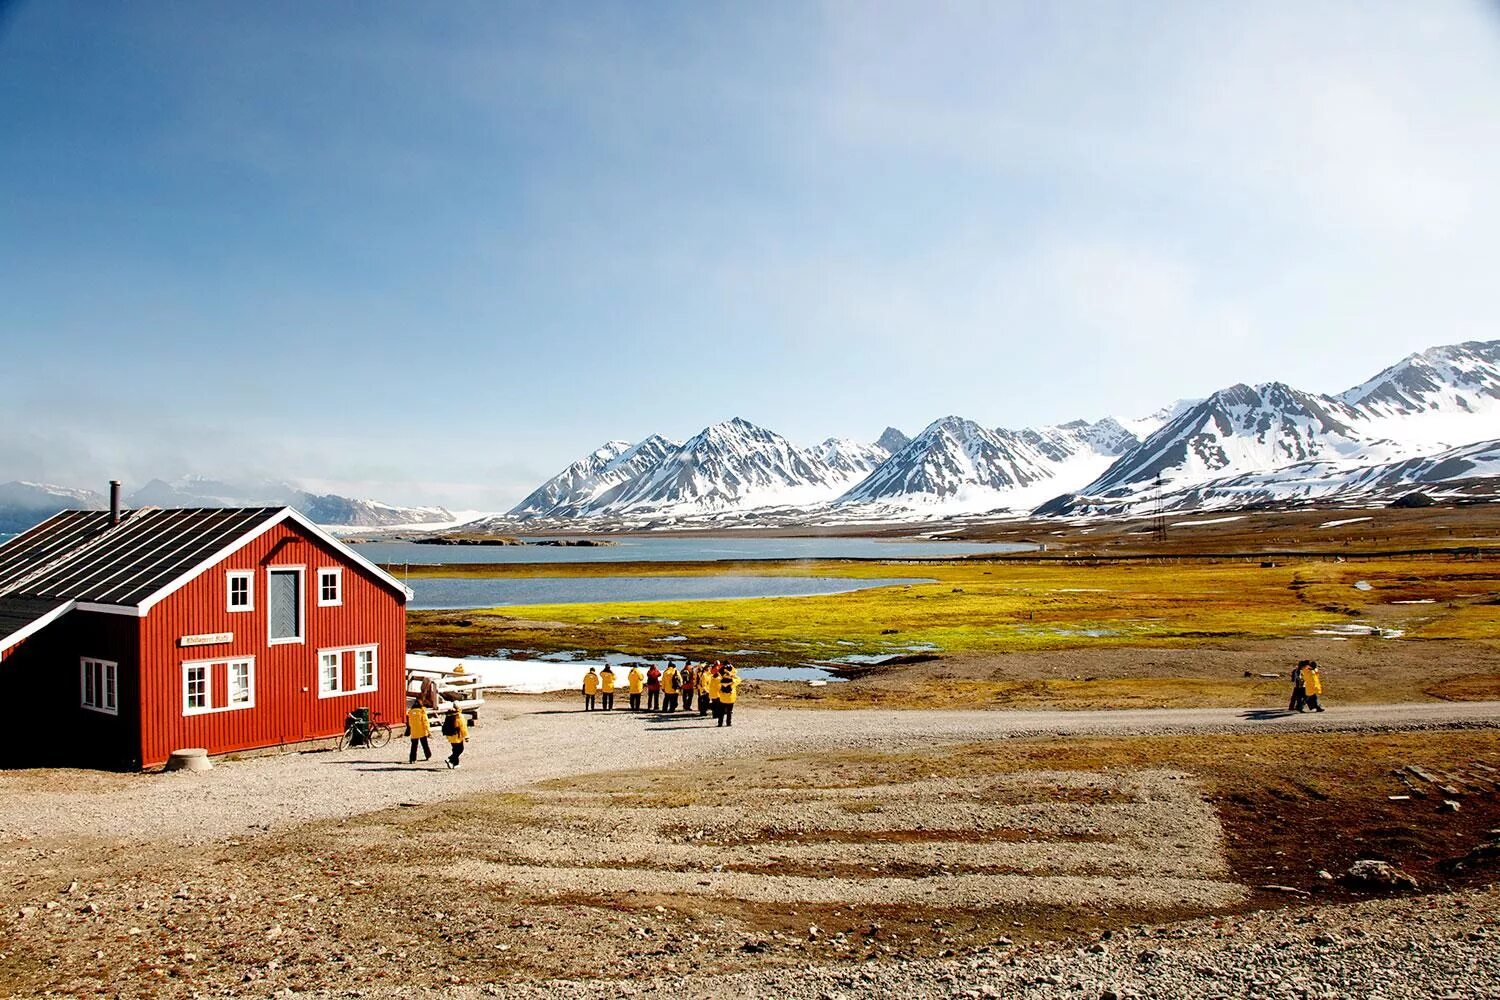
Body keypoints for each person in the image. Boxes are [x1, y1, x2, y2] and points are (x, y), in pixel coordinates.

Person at [442, 703, 468, 768]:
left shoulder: (449, 714)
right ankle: (450, 759)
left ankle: (455, 764)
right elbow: (463, 727)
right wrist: (466, 736)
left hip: (450, 735)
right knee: (460, 749)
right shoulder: (459, 716)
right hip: (457, 735)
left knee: (455, 749)